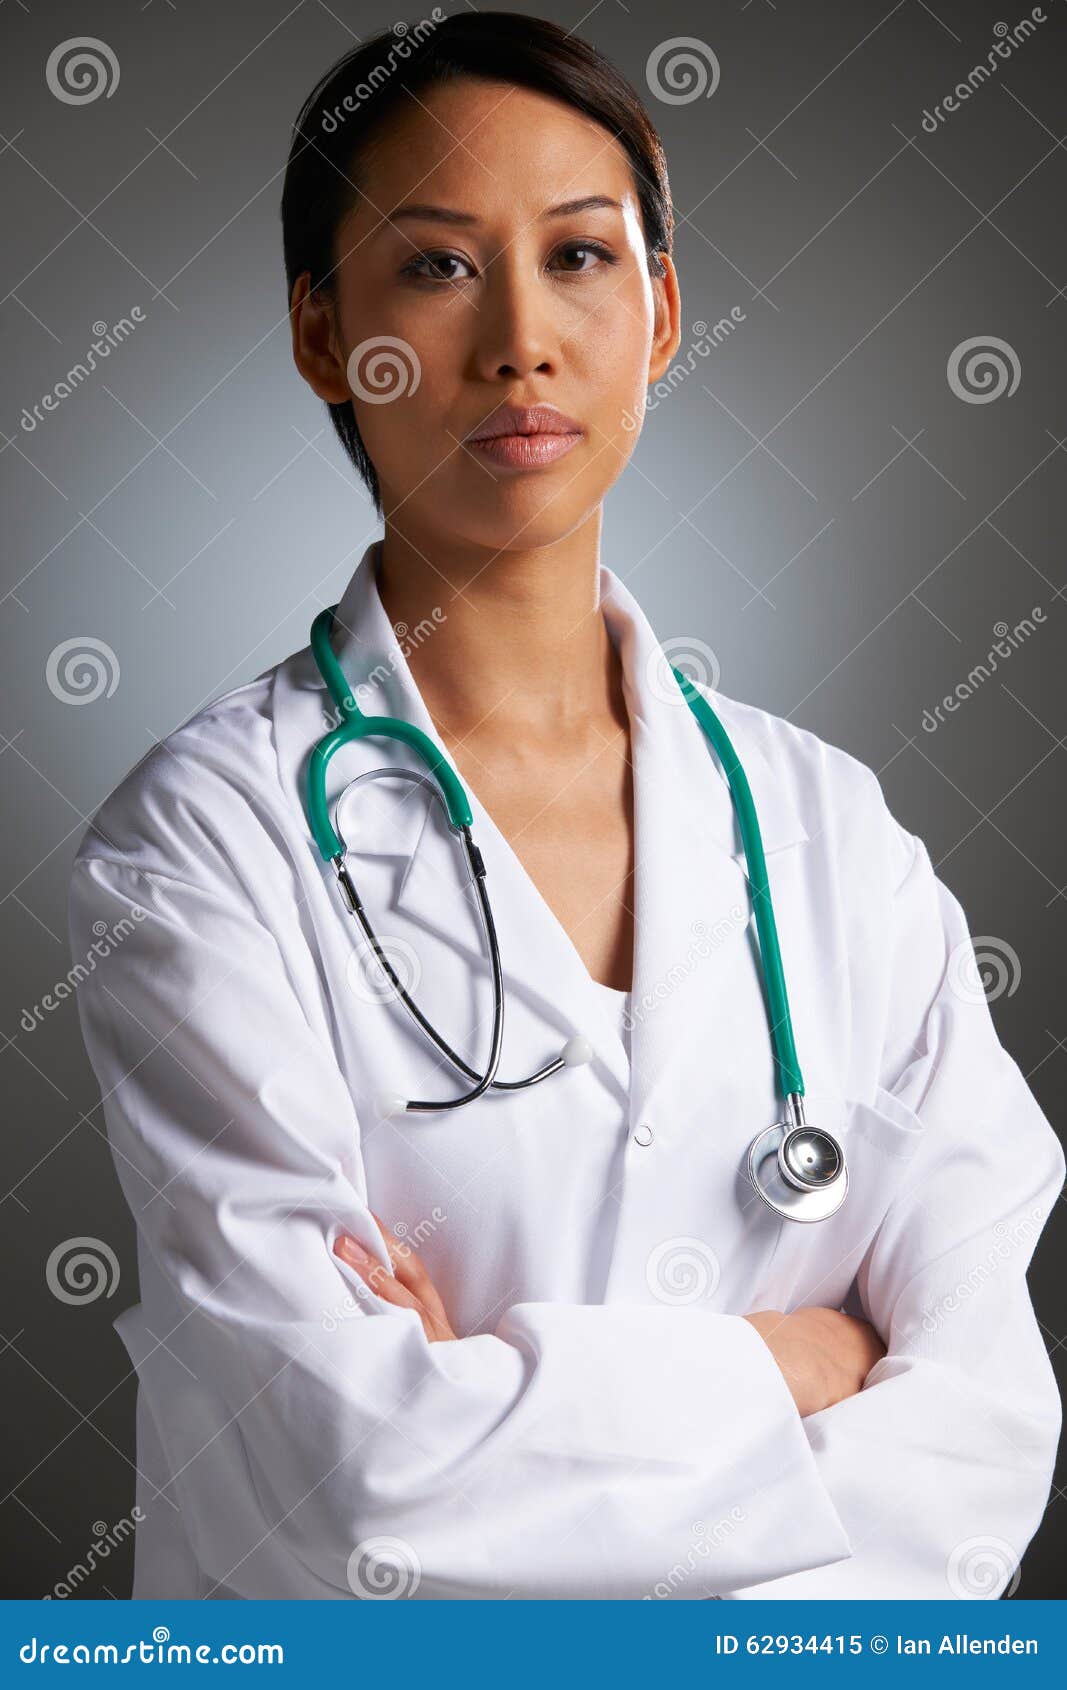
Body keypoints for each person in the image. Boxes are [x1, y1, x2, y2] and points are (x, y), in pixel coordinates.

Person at [68, 13, 1062, 1601]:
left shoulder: (834, 834)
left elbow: (981, 1440)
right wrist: (794, 1360)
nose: (522, 336)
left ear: (663, 314)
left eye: (584, 258)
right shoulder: (206, 837)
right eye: (439, 266)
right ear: (325, 335)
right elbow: (351, 1484)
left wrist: (516, 1424)